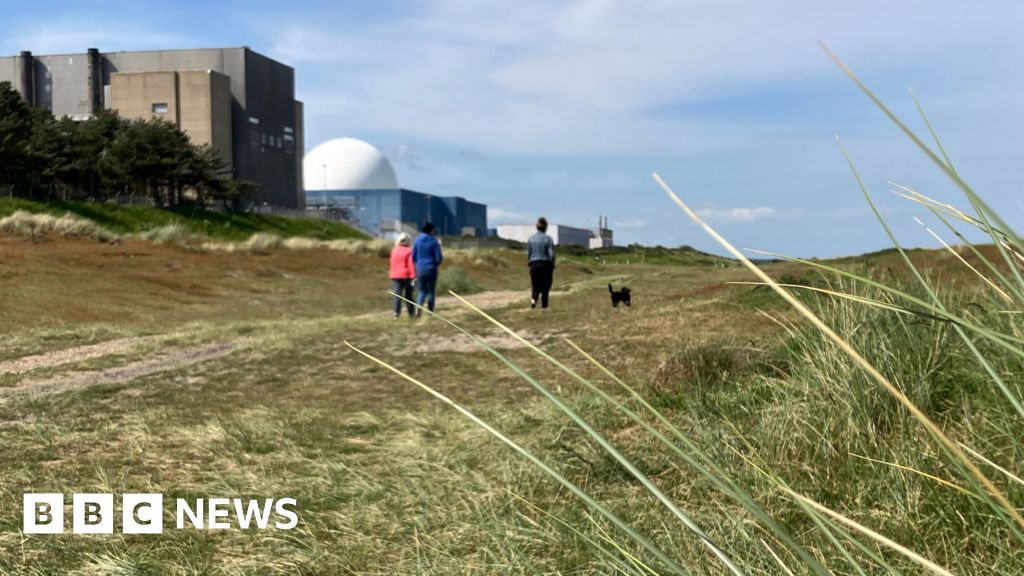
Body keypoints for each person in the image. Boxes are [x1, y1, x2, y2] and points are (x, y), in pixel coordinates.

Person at [412, 222, 443, 314]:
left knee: (422, 290)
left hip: (420, 268)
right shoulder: (434, 241)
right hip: (431, 268)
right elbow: (438, 258)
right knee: (431, 291)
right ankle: (430, 312)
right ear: (430, 230)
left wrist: (417, 264)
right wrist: (435, 264)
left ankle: (418, 309)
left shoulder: (417, 240)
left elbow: (413, 256)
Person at [527, 217, 555, 309]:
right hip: (545, 264)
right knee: (545, 286)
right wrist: (553, 264)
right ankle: (544, 305)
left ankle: (533, 300)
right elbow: (551, 253)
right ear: (545, 227)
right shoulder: (549, 239)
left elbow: (529, 252)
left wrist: (529, 262)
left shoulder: (531, 239)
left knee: (535, 285)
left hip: (534, 263)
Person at [389, 232, 416, 318]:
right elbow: (411, 264)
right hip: (407, 276)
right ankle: (411, 313)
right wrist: (414, 276)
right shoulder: (409, 251)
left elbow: (392, 263)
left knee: (397, 295)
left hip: (395, 275)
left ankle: (396, 313)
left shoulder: (394, 250)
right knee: (408, 296)